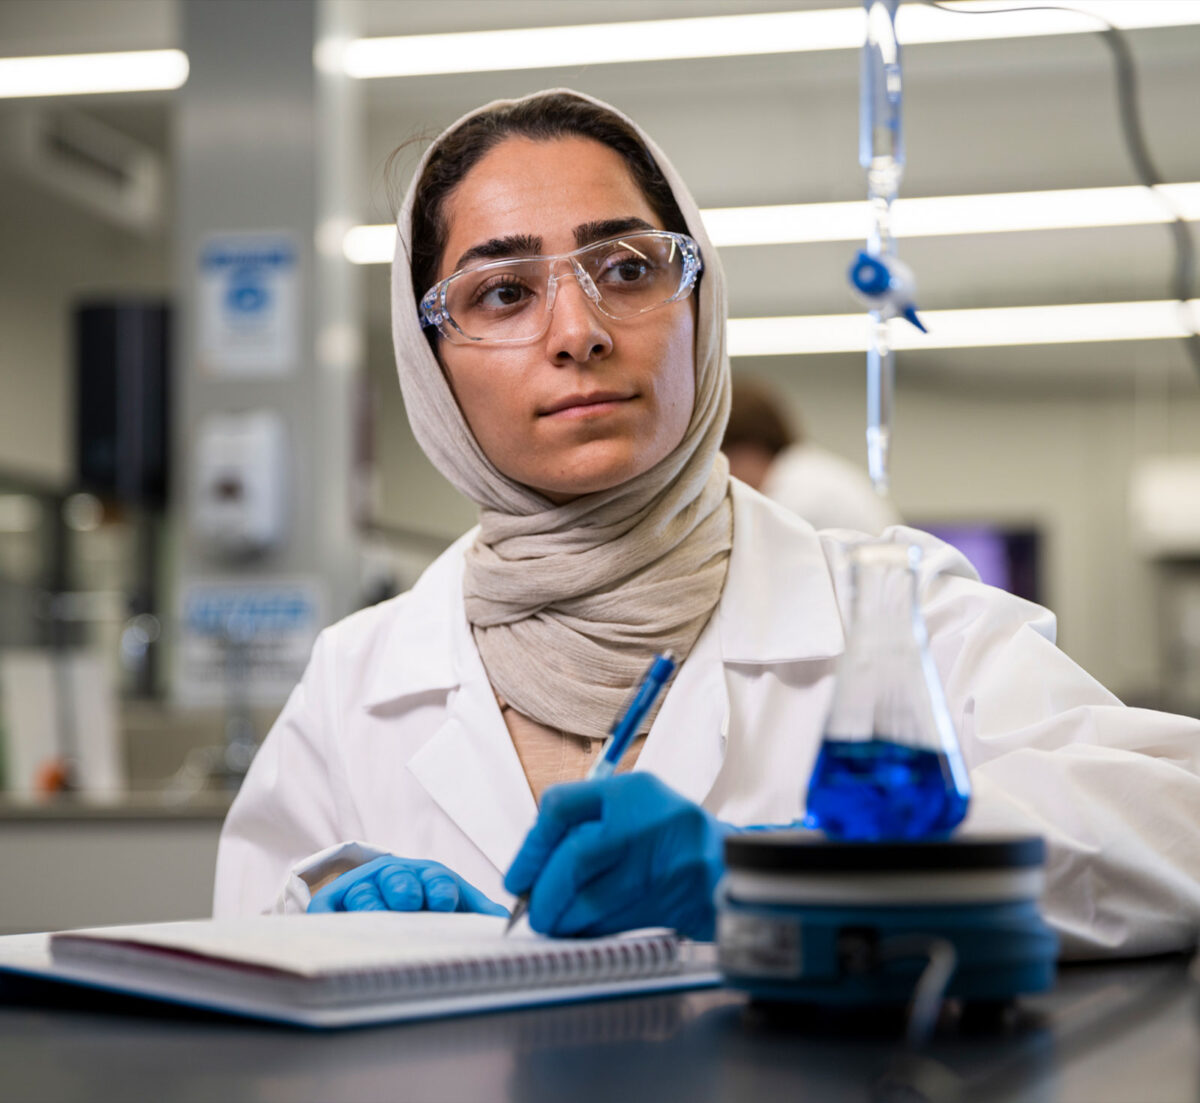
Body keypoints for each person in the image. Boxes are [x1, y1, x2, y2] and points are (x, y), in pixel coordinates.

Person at [214, 89, 1200, 958]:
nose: (579, 331)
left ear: (699, 303)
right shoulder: (355, 682)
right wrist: (324, 933)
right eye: (504, 293)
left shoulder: (893, 611)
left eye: (627, 269)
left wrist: (768, 876)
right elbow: (241, 964)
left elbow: (1173, 819)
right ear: (429, 359)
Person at [722, 376, 900, 535]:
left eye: (724, 458)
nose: (725, 475)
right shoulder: (804, 468)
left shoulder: (796, 491)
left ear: (750, 447)